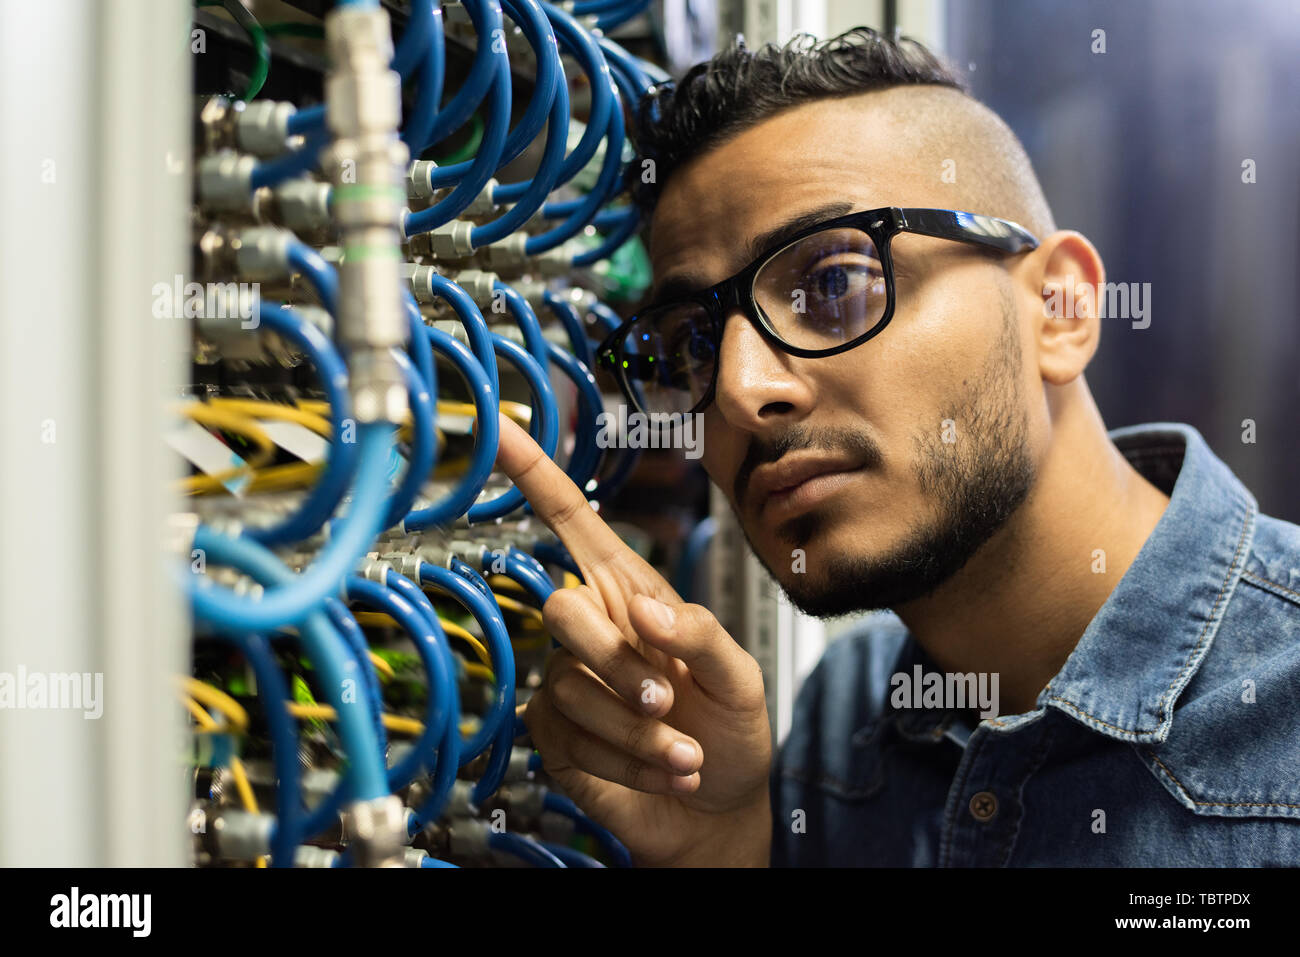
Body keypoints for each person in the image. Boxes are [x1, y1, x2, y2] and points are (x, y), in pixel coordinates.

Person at [495, 26, 1300, 866]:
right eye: (695, 341)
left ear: (1061, 310)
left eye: (832, 282)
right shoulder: (840, 728)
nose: (738, 389)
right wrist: (723, 851)